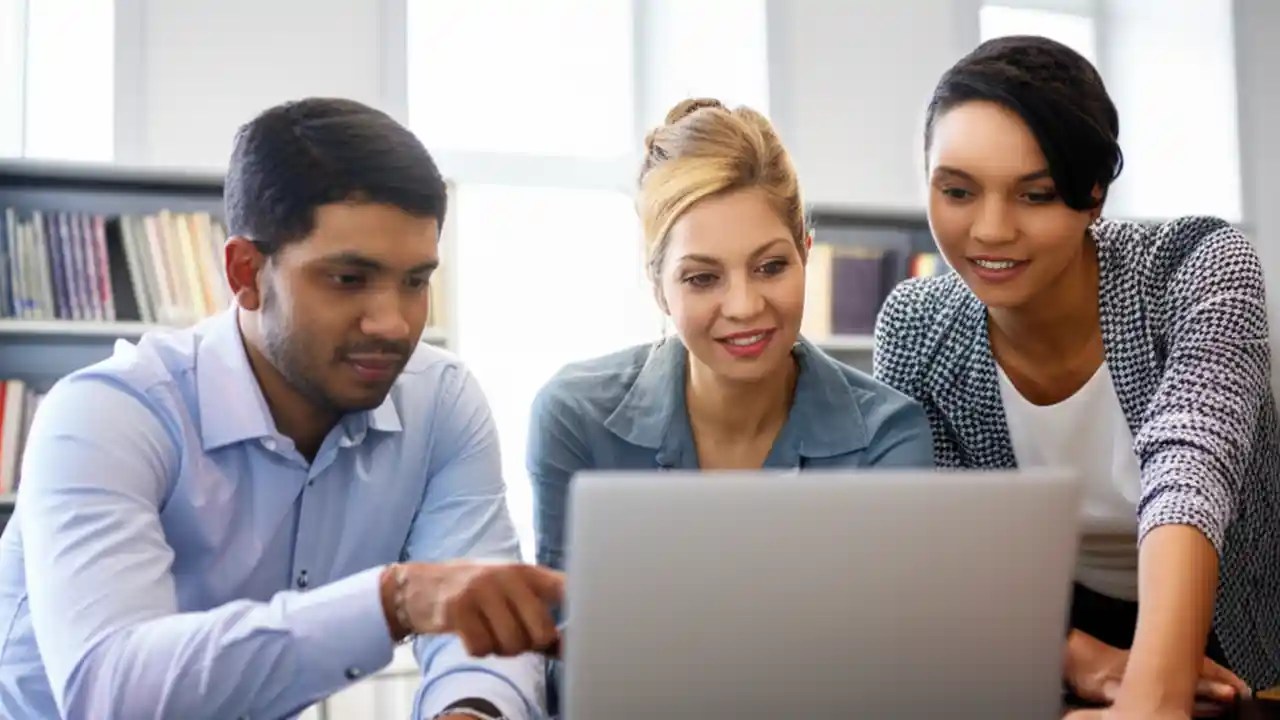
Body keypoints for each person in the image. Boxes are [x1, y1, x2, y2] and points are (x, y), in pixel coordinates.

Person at [0, 97, 562, 720]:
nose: (394, 324)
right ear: (246, 272)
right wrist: (392, 602)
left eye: (415, 281)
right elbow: (113, 690)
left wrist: (472, 708)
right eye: (348, 279)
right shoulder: (106, 414)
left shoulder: (441, 400)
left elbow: (479, 617)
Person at [873, 35, 1279, 718]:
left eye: (1034, 194)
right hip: (1044, 630)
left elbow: (1192, 467)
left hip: (1234, 614)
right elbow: (950, 542)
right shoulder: (916, 325)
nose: (990, 230)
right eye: (957, 191)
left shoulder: (1196, 266)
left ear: (1093, 193)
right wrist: (1082, 658)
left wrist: (1152, 696)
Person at [526, 98, 934, 709]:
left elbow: (881, 674)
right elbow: (567, 663)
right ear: (659, 286)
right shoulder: (575, 417)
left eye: (770, 266)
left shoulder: (889, 434)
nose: (744, 306)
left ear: (806, 252)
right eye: (702, 277)